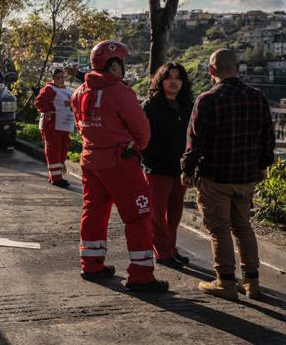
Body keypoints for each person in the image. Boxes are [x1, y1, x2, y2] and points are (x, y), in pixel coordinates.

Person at [71, 40, 168, 292]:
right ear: (114, 65)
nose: (123, 68)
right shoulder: (121, 92)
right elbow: (142, 131)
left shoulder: (80, 92)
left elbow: (80, 125)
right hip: (120, 163)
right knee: (138, 216)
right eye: (122, 63)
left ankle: (91, 264)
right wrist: (134, 145)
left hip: (91, 161)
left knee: (93, 211)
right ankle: (141, 275)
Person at [181, 49, 276, 301]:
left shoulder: (207, 99)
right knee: (243, 226)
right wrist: (263, 166)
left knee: (219, 229)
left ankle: (225, 280)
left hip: (216, 177)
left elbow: (195, 142)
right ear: (238, 68)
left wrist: (187, 170)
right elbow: (269, 138)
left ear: (212, 71)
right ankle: (252, 282)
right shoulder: (258, 97)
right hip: (246, 177)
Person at [141, 63, 193, 268]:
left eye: (178, 78)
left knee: (175, 212)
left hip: (179, 169)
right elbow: (143, 137)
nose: (173, 82)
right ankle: (162, 252)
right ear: (160, 81)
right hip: (157, 169)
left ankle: (171, 248)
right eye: (168, 77)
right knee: (157, 214)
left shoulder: (187, 105)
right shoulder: (151, 106)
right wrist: (154, 156)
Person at [34, 68, 74, 188]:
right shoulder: (49, 89)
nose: (60, 80)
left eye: (62, 77)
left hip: (65, 125)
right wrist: (47, 111)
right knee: (54, 151)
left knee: (63, 150)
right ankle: (56, 178)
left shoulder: (67, 90)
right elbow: (38, 101)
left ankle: (58, 175)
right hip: (53, 125)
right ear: (53, 78)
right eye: (58, 78)